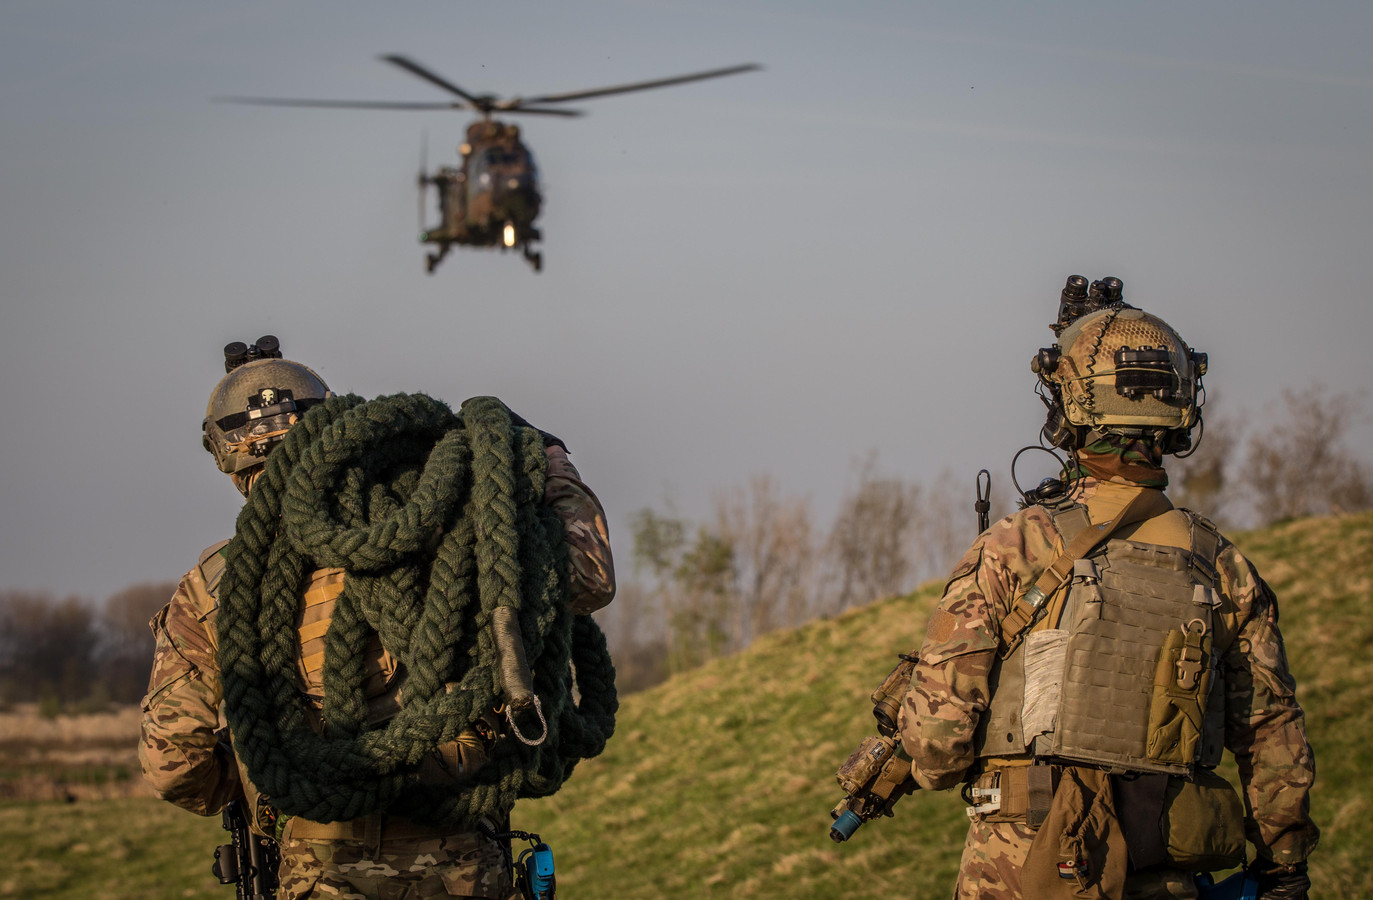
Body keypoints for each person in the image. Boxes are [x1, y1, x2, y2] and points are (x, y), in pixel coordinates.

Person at [140, 338, 616, 900]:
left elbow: (174, 760)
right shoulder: (451, 531)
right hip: (467, 869)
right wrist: (551, 457)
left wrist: (267, 775)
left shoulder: (213, 587)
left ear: (226, 456)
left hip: (316, 876)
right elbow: (590, 578)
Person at [898, 277, 1317, 900]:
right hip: (1166, 870)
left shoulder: (1015, 546)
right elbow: (1271, 739)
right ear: (1179, 408)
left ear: (1067, 406)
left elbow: (936, 750)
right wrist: (1284, 865)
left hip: (1019, 869)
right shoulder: (1222, 565)